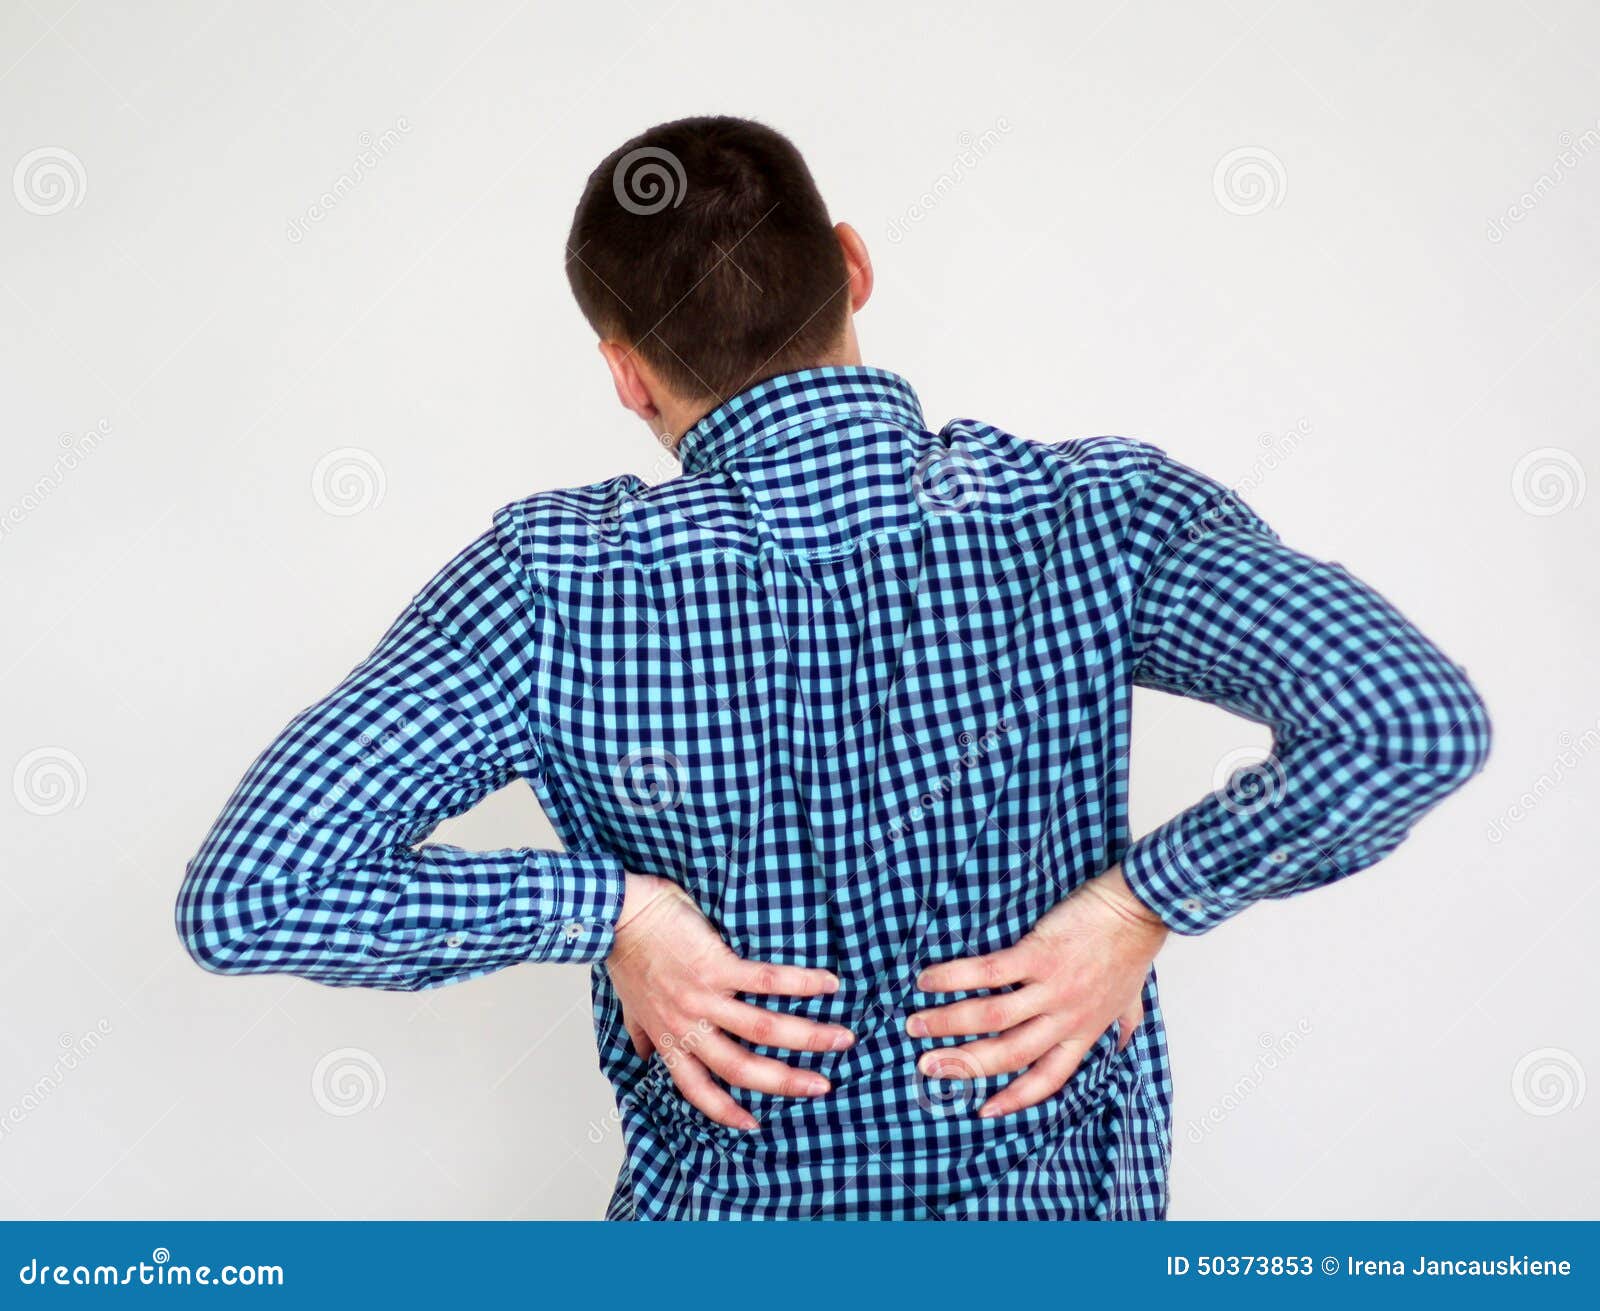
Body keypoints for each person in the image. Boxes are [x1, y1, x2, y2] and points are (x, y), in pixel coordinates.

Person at [177, 116, 1491, 1220]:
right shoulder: (1100, 514)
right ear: (854, 267)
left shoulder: (545, 581)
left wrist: (608, 913)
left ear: (626, 377)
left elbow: (250, 897)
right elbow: (1408, 722)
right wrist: (1138, 909)